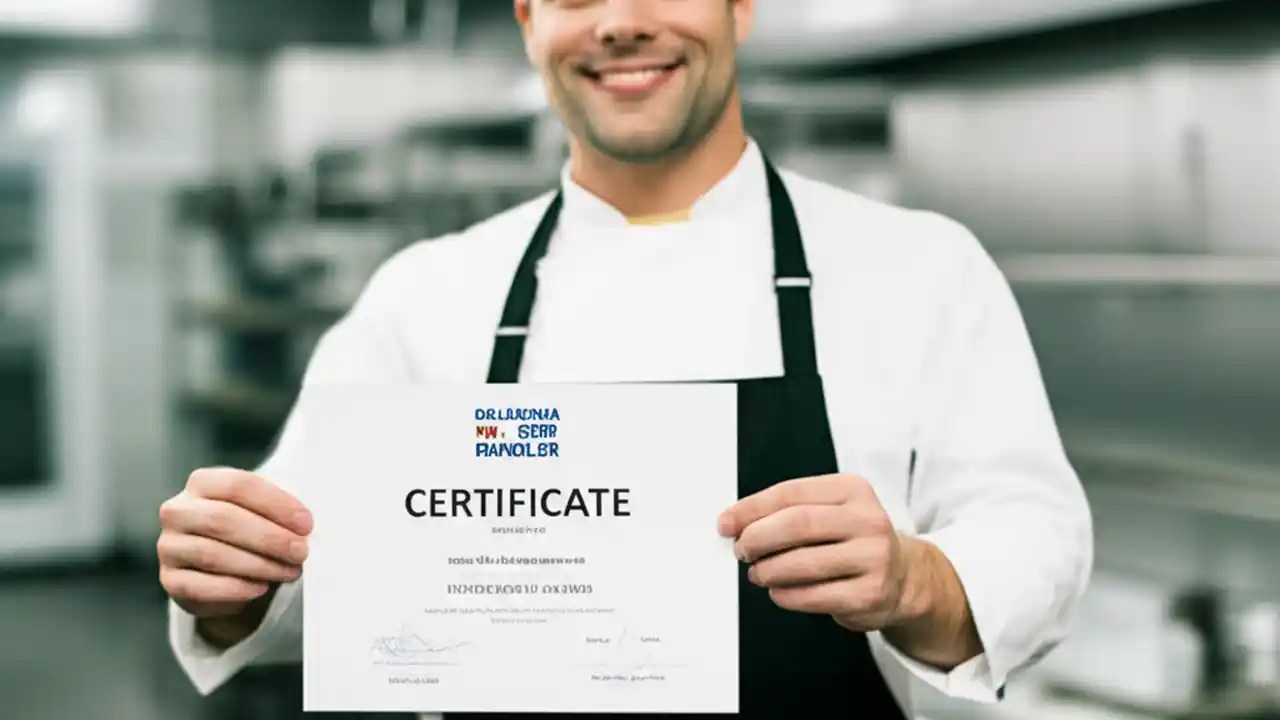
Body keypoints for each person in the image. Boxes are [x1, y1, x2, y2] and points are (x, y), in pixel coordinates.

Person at [157, 1, 1093, 717]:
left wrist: (915, 577)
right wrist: (233, 581)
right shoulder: (424, 296)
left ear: (742, 5)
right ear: (529, 21)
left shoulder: (920, 266)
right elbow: (319, 579)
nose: (618, 24)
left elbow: (1036, 533)